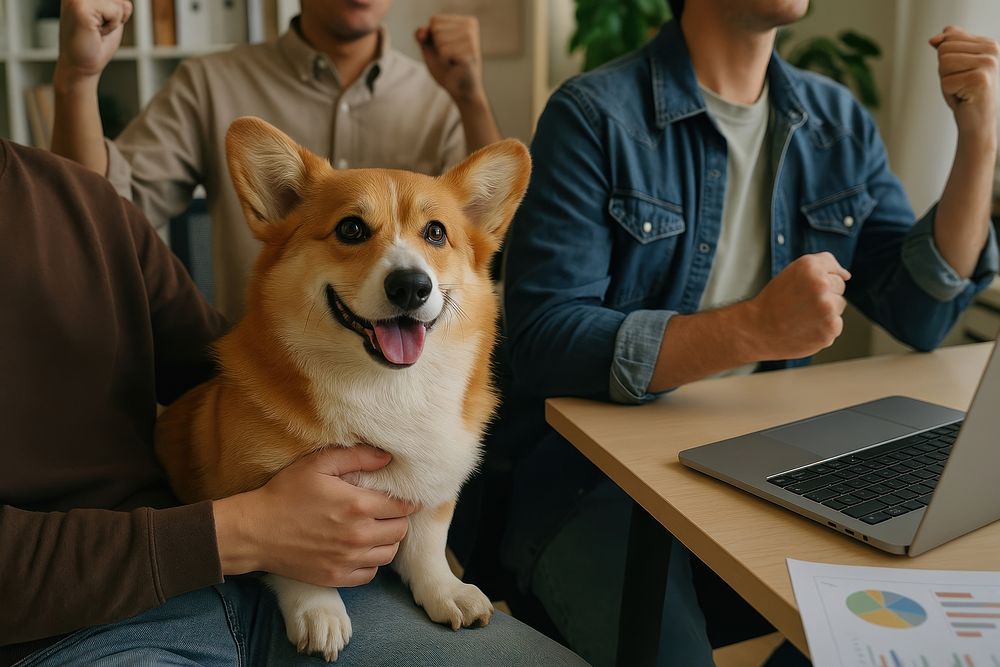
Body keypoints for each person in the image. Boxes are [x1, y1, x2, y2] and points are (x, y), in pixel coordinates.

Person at [497, 0, 1000, 664]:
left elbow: (922, 314)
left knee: (893, 639)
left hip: (767, 465)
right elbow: (544, 340)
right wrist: (752, 330)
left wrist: (978, 140)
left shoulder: (838, 121)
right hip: (589, 484)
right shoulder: (593, 113)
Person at [0, 139, 586, 666]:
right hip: (83, 617)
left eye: (436, 234)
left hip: (323, 579)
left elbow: (211, 362)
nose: (410, 273)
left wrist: (427, 564)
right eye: (355, 230)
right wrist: (255, 534)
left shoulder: (80, 200)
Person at [52, 0, 502, 319]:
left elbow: (491, 248)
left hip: (421, 397)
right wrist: (78, 78)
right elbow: (97, 221)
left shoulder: (442, 97)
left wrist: (471, 97)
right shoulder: (209, 83)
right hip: (265, 390)